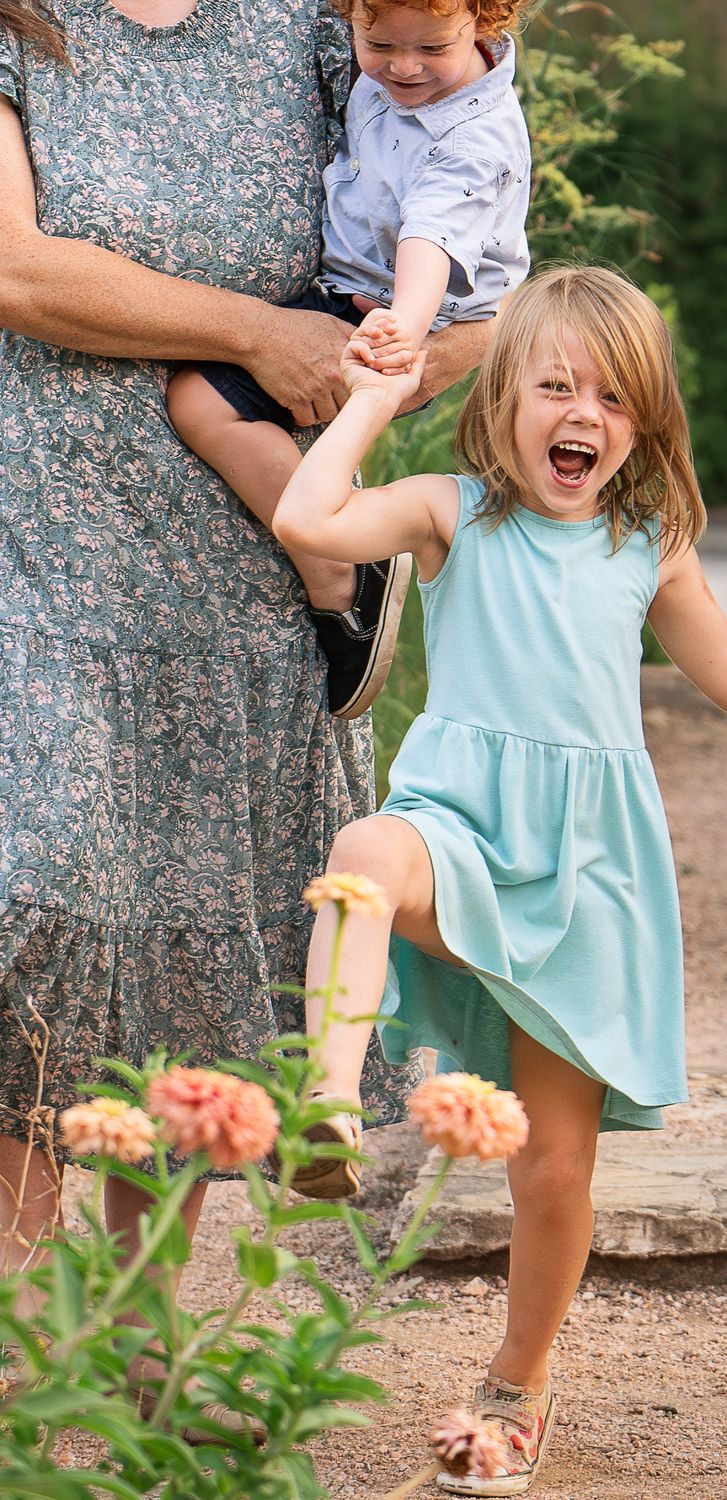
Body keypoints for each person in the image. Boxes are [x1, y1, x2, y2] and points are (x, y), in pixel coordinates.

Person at [271, 264, 727, 1495]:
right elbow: (309, 520)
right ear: (505, 397)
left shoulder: (649, 543)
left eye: (614, 397)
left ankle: (517, 1383)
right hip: (457, 830)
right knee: (364, 853)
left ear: (643, 425)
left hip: (583, 878)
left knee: (553, 1168)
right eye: (556, 385)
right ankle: (325, 1107)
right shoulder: (450, 510)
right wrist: (373, 395)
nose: (583, 413)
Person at [0, 0, 488, 1431]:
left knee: (198, 947)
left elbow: (461, 232)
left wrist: (371, 372)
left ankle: (142, 1347)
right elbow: (17, 268)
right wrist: (259, 333)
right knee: (32, 907)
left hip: (258, 569)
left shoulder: (314, 24)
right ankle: (24, 1337)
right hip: (40, 552)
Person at [166, 0, 531, 718]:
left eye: (430, 46)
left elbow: (430, 238)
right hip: (362, 292)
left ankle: (343, 569)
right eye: (379, 42)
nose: (402, 65)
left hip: (398, 311)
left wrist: (402, 330)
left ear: (488, 25)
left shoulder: (475, 134)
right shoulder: (398, 69)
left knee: (200, 403)